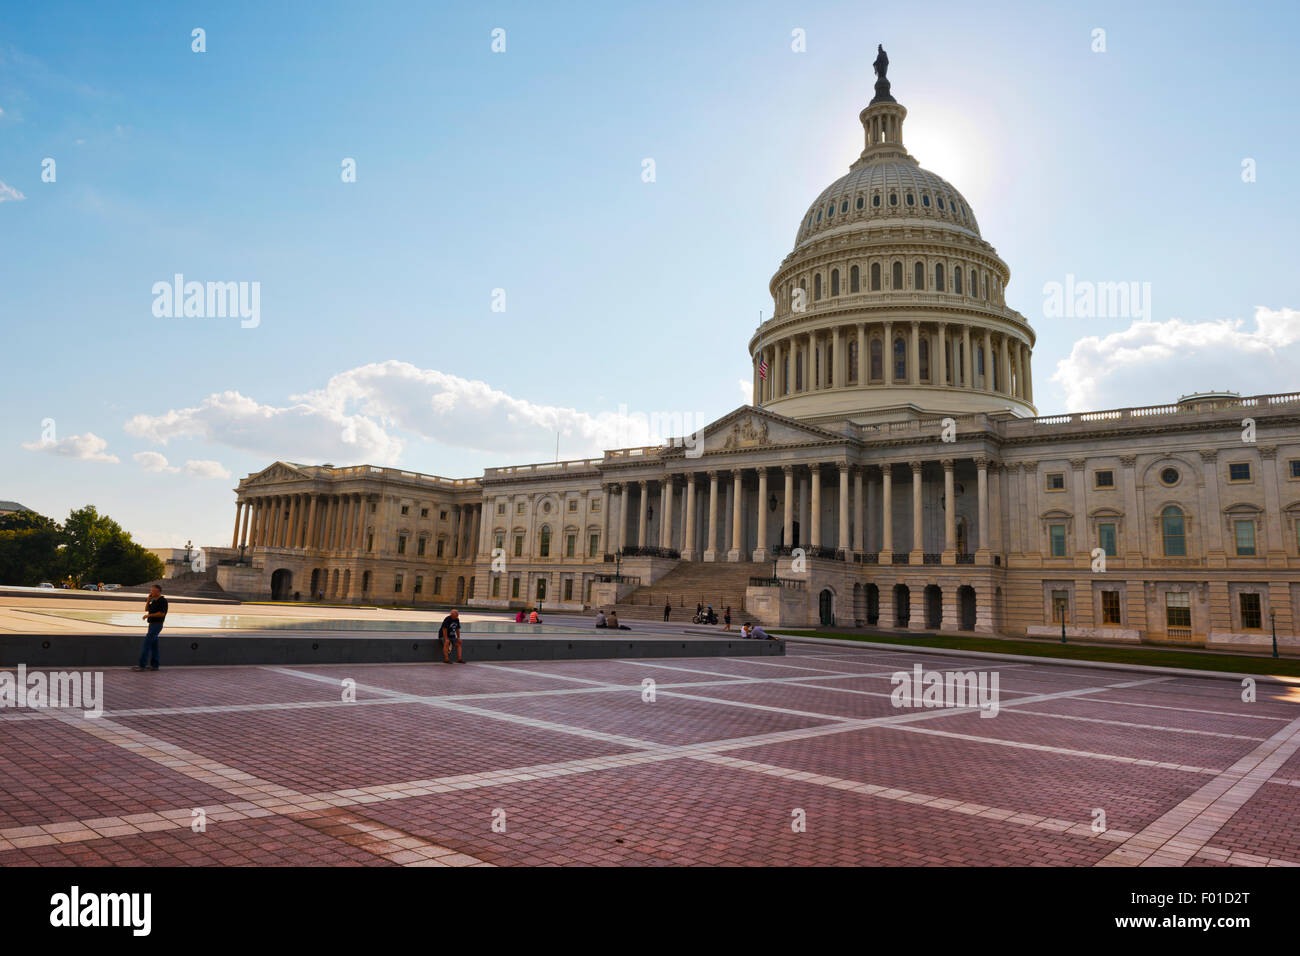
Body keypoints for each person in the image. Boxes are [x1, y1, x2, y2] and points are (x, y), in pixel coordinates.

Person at [132, 585, 167, 671]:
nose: (151, 592)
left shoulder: (163, 601)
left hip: (157, 625)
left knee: (146, 645)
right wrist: (148, 600)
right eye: (151, 590)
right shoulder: (154, 601)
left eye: (153, 591)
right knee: (154, 646)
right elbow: (146, 609)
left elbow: (162, 613)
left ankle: (142, 666)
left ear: (158, 592)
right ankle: (155, 665)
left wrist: (149, 615)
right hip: (151, 625)